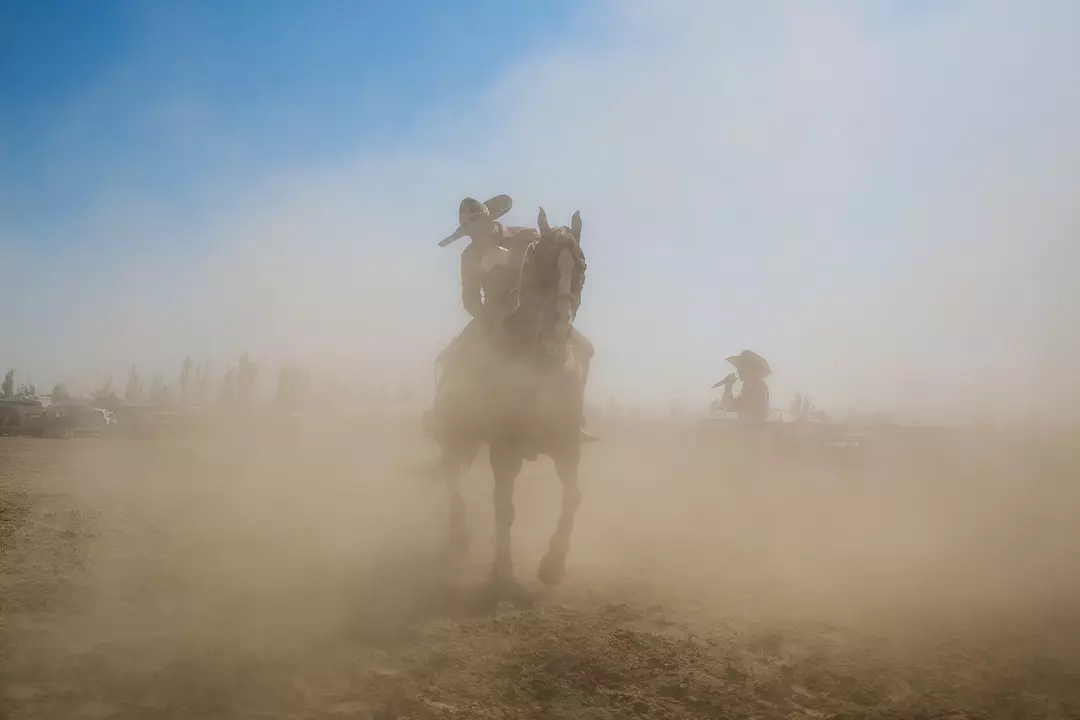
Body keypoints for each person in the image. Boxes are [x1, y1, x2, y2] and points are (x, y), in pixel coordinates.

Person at [431, 195, 594, 437]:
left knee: (583, 350)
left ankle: (573, 420)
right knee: (453, 358)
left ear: (489, 221)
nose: (473, 234)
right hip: (493, 316)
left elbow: (552, 261)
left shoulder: (527, 236)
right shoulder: (469, 256)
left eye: (475, 227)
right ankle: (445, 421)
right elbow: (470, 297)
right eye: (468, 230)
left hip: (538, 310)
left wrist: (509, 261)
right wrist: (486, 319)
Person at [712, 350, 772, 426]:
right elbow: (731, 406)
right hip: (751, 430)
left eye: (741, 367)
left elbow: (732, 407)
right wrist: (728, 386)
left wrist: (728, 386)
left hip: (753, 431)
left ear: (750, 369)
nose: (738, 371)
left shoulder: (755, 386)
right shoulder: (751, 386)